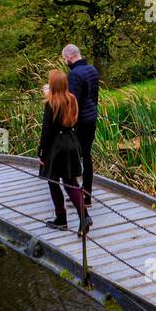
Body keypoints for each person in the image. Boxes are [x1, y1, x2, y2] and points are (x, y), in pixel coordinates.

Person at [38, 70, 92, 237]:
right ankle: (85, 217)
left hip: (56, 146)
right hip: (71, 141)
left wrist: (41, 153)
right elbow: (75, 121)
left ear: (52, 85)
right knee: (71, 182)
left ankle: (61, 218)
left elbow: (47, 131)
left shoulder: (52, 103)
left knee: (52, 180)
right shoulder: (72, 99)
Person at [62, 44, 100, 206]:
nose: (65, 62)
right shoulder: (92, 69)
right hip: (92, 117)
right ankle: (86, 194)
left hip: (80, 122)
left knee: (72, 157)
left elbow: (72, 102)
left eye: (65, 59)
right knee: (87, 156)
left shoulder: (75, 75)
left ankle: (81, 195)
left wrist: (53, 95)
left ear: (70, 57)